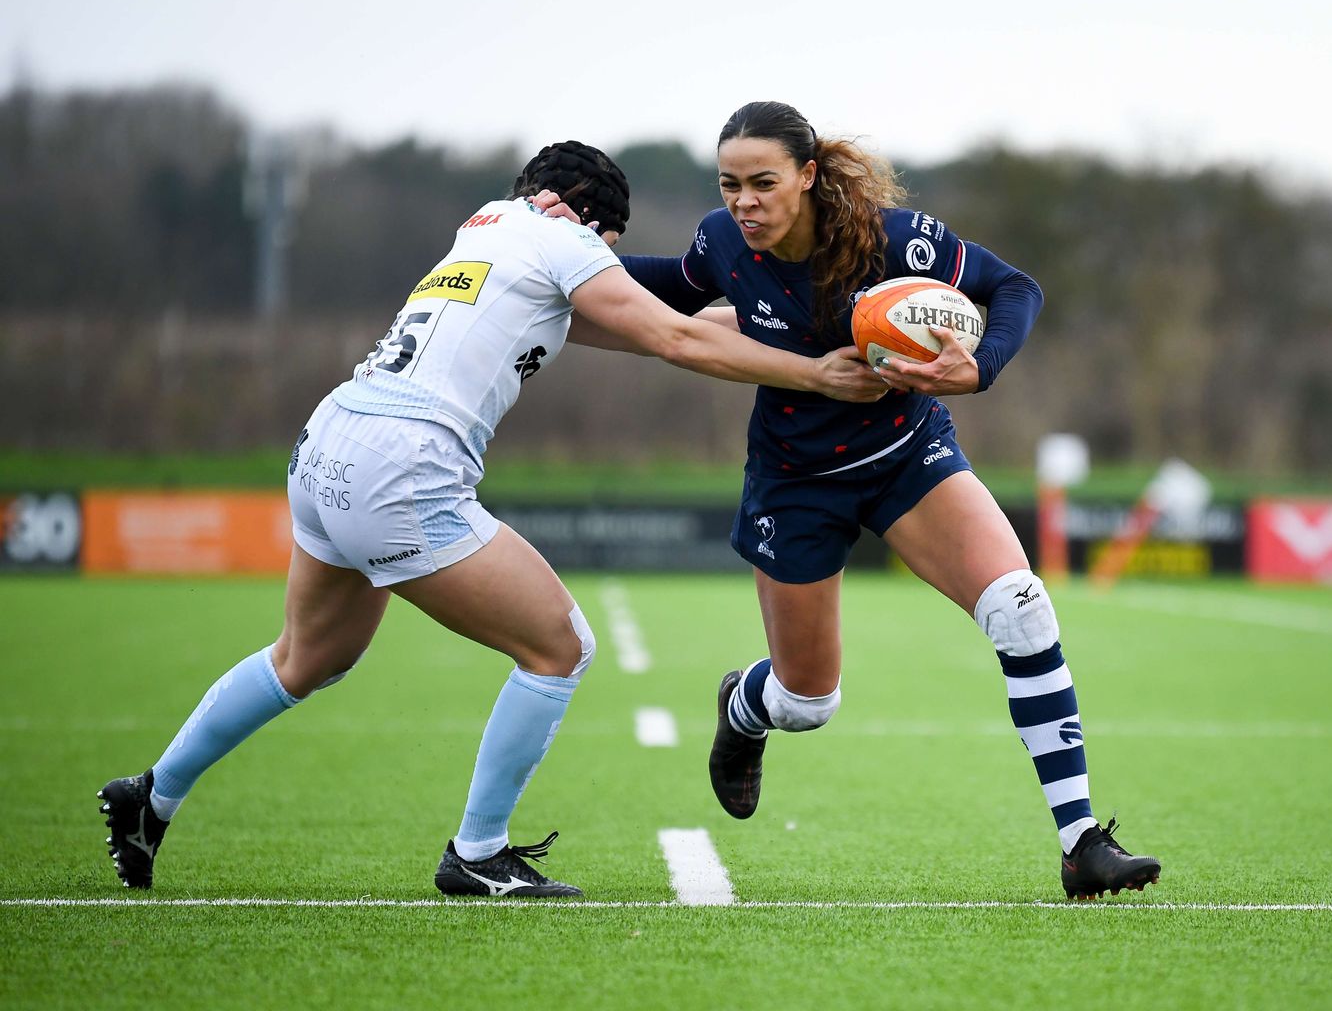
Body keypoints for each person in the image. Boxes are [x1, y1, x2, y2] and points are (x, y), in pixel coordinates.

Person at [98, 140, 886, 898]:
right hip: (403, 466)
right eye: (610, 243)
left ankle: (152, 796)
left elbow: (636, 330)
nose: (608, 259)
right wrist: (814, 371)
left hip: (330, 440)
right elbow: (672, 334)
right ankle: (478, 853)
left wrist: (787, 324)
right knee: (561, 646)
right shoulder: (565, 240)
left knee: (306, 655)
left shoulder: (485, 224)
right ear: (590, 221)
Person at [609, 101, 1161, 899]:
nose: (744, 203)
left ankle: (1081, 843)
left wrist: (982, 366)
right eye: (730, 185)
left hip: (909, 456)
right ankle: (744, 709)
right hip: (794, 480)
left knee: (1022, 607)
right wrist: (559, 265)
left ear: (807, 175)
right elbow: (669, 288)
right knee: (807, 701)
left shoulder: (892, 238)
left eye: (763, 183)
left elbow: (1015, 288)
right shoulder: (723, 240)